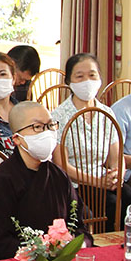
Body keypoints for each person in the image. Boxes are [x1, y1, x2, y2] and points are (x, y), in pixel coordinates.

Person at [0, 101, 91, 261]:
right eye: (37, 127)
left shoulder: (59, 176)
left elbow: (79, 227)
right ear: (16, 139)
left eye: (50, 125)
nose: (47, 133)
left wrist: (77, 245)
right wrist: (43, 251)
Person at [49, 53, 122, 193]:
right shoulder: (58, 116)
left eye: (92, 75)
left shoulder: (107, 113)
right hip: (75, 185)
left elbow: (116, 157)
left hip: (103, 179)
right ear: (68, 81)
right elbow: (61, 164)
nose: (87, 81)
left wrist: (116, 175)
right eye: (79, 76)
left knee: (128, 198)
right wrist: (97, 182)